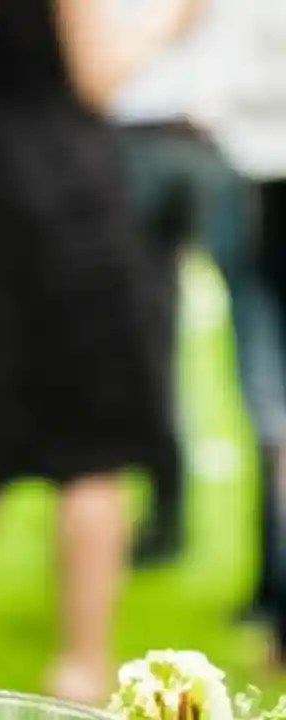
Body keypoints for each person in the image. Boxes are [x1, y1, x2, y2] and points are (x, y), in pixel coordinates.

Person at [0, 0, 201, 703]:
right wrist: (172, 18)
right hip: (65, 188)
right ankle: (83, 665)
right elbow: (97, 76)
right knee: (96, 446)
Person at [113, 0, 260, 569]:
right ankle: (165, 507)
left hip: (194, 140)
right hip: (155, 139)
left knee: (237, 337)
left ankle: (175, 512)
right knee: (146, 337)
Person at [205, 0, 286, 650]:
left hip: (266, 180)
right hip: (251, 181)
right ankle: (270, 587)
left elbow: (225, 82)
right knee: (265, 408)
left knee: (271, 407)